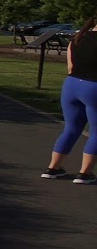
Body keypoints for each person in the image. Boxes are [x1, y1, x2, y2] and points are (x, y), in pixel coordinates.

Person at [41, 14, 97, 184]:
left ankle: (53, 168)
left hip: (72, 85)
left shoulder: (78, 37)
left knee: (71, 128)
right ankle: (84, 174)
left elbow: (70, 66)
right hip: (94, 87)